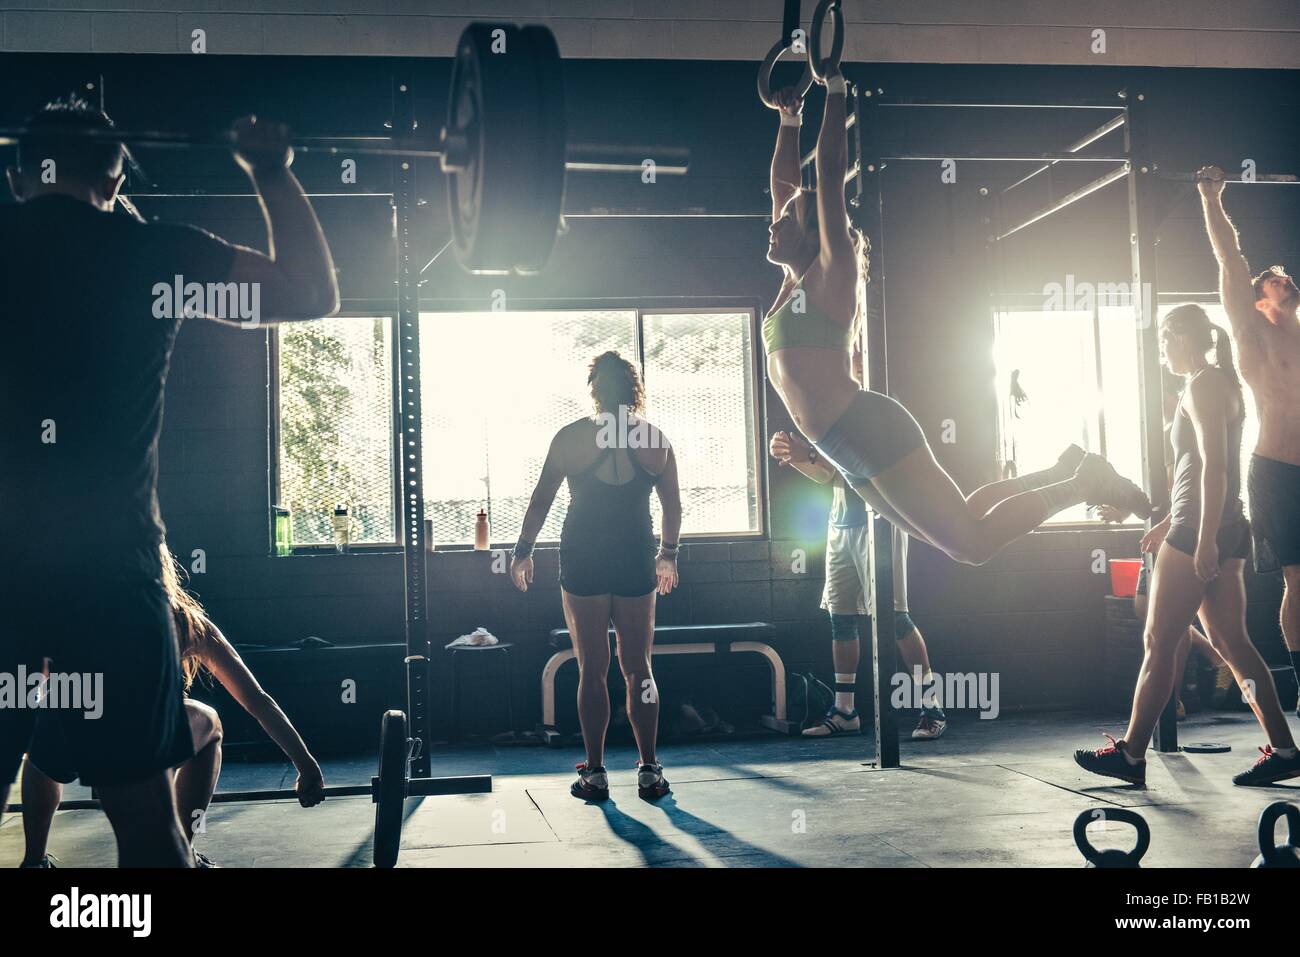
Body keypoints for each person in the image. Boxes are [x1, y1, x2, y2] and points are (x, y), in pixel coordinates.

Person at [0, 97, 338, 866]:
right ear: (116, 175)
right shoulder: (156, 256)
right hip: (112, 579)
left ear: (18, 178)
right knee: (151, 833)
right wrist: (272, 173)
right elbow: (311, 293)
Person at [762, 78, 1149, 573]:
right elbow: (784, 188)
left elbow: (831, 176)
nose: (773, 224)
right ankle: (1062, 470)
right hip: (841, 447)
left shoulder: (831, 273)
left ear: (816, 230)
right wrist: (788, 119)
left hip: (864, 430)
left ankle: (1085, 482)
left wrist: (834, 87)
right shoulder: (790, 280)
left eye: (786, 220)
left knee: (972, 545)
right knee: (966, 518)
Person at [1075, 305, 1299, 786]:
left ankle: (1131, 756)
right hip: (1212, 524)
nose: (1161, 351)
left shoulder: (1203, 385)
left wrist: (1200, 539)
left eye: (1163, 341)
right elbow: (1194, 469)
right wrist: (1168, 523)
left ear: (1180, 337)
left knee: (1159, 640)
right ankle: (1285, 749)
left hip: (1201, 526)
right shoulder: (1212, 383)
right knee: (1231, 643)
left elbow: (1216, 466)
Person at [18, 544, 326, 868]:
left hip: (90, 739)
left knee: (50, 712)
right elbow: (257, 699)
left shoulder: (73, 612)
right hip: (138, 743)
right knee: (210, 722)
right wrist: (306, 765)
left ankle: (33, 858)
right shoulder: (185, 622)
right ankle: (184, 852)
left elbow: (32, 683)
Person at [509, 352, 682, 802]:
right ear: (634, 390)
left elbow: (540, 500)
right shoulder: (654, 438)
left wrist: (522, 553)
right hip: (634, 554)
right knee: (639, 667)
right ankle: (648, 770)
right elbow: (673, 508)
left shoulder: (572, 437)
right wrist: (668, 556)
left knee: (592, 668)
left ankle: (596, 774)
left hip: (584, 553)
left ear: (596, 391)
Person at [770, 340, 947, 740]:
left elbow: (861, 466)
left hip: (880, 520)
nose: (845, 361)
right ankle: (846, 710)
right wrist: (795, 456)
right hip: (841, 524)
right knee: (841, 619)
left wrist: (811, 455)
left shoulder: (880, 406)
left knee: (896, 616)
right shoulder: (831, 411)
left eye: (853, 354)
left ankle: (932, 707)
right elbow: (828, 476)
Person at [1197, 166, 1300, 717]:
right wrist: (1211, 197)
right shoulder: (1250, 333)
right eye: (1275, 279)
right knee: (1297, 580)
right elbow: (1229, 260)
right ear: (1259, 299)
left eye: (1287, 276)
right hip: (1276, 471)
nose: (1284, 279)